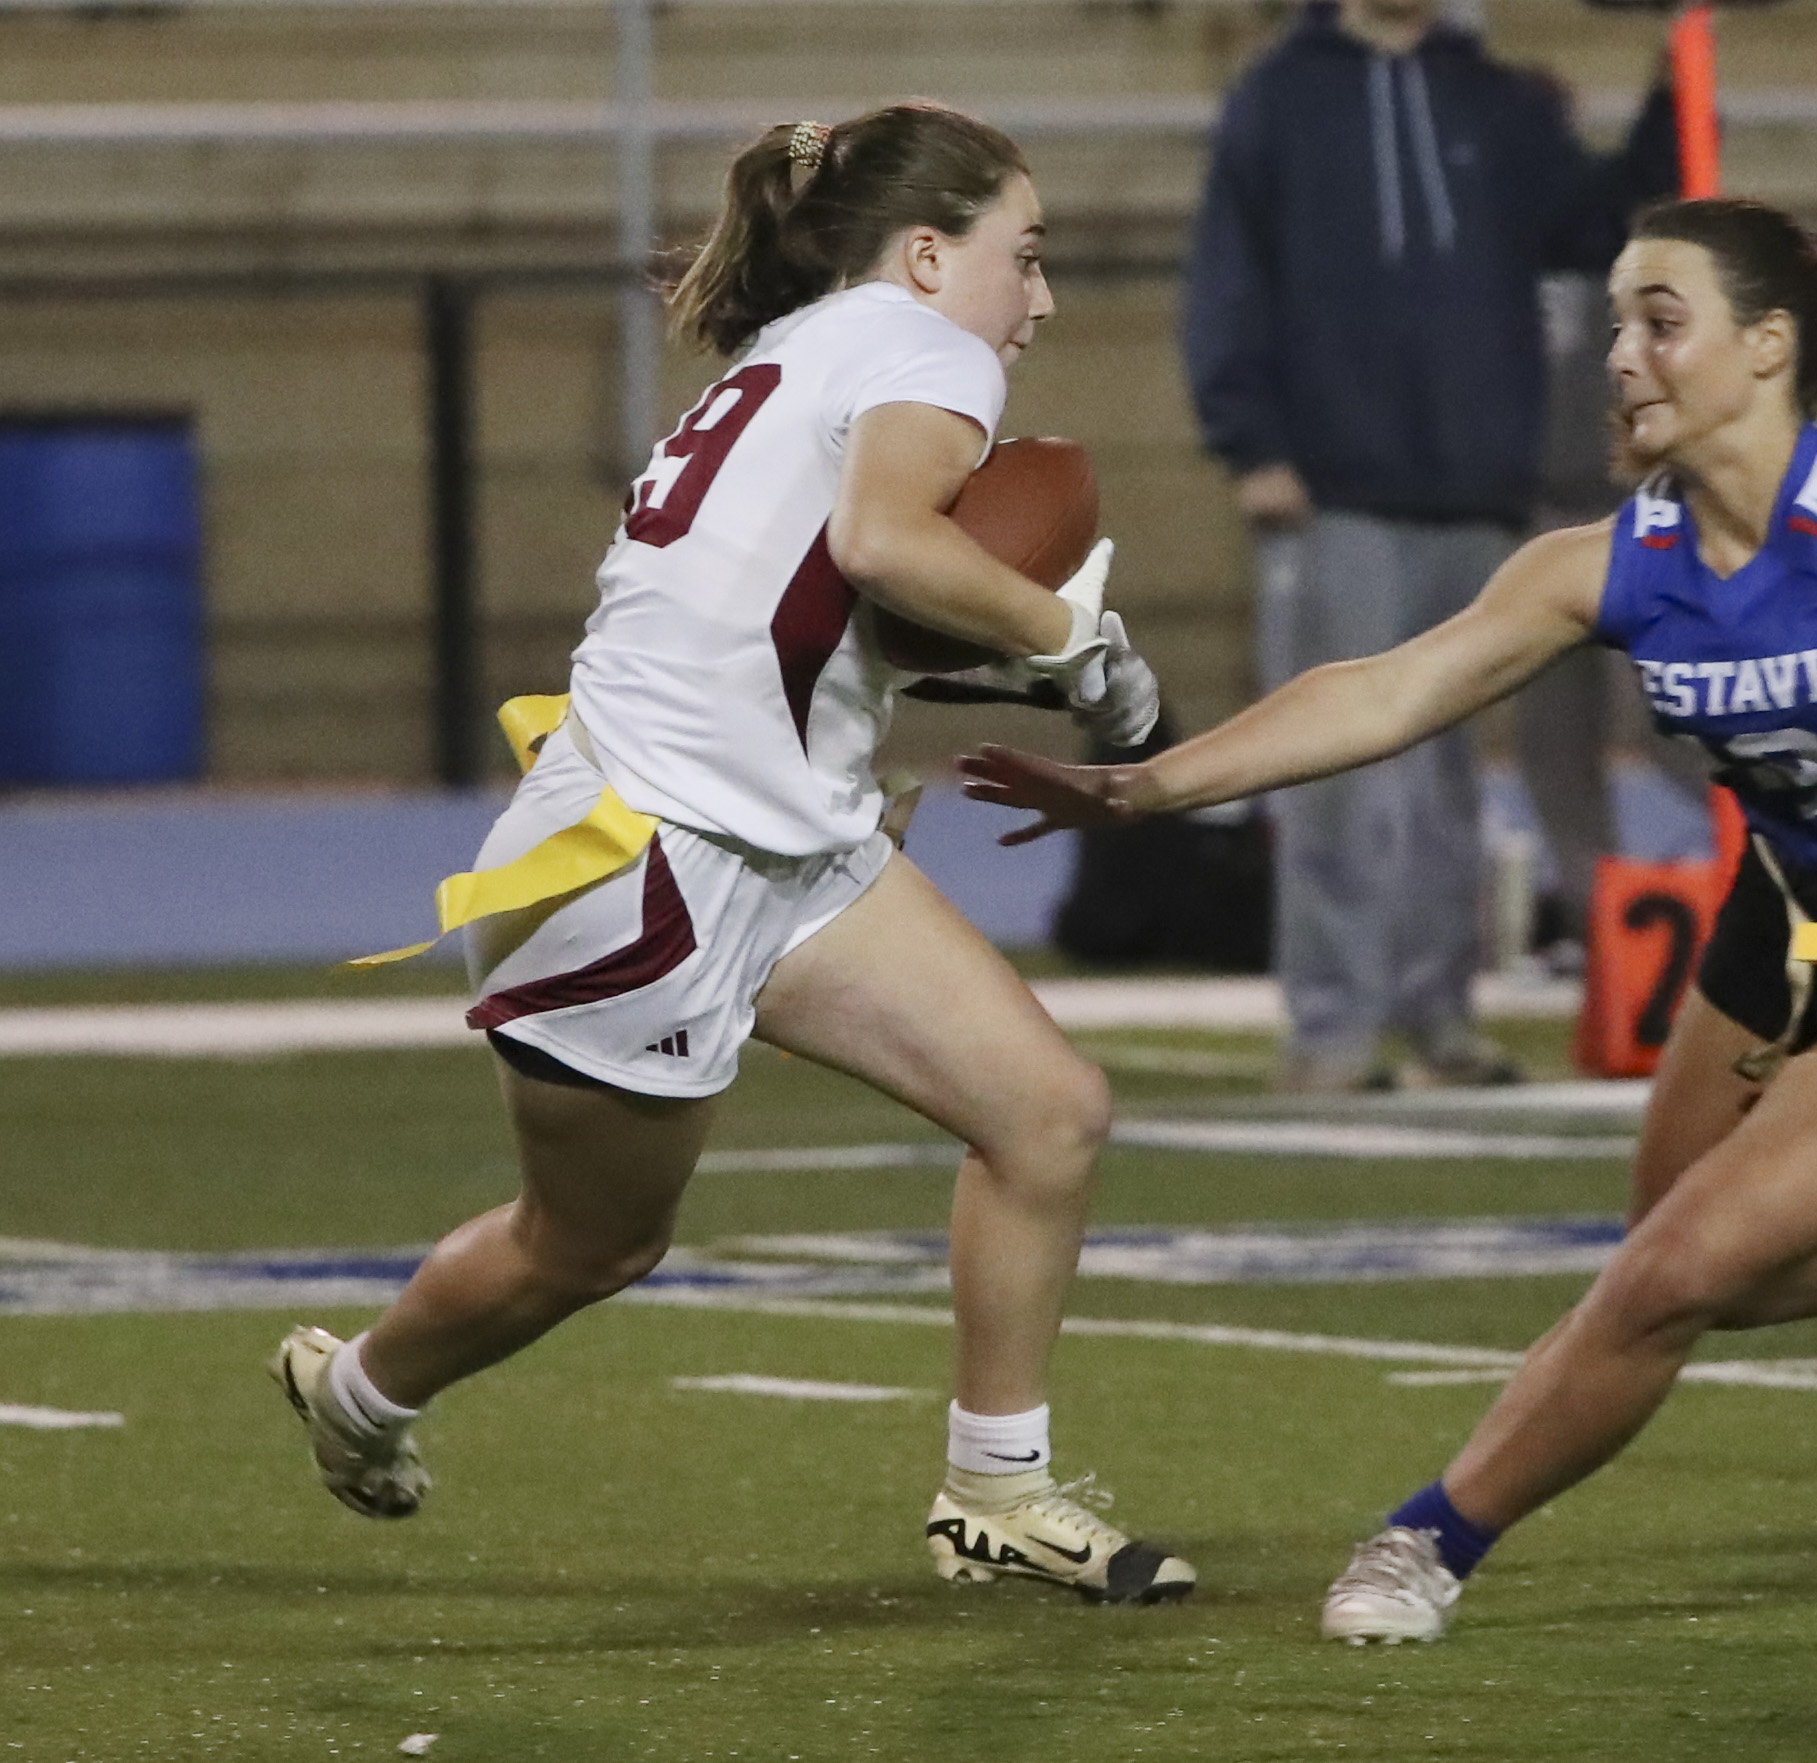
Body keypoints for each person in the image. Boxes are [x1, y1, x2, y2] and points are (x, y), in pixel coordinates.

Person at [965, 197, 1817, 1646]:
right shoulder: (1610, 558)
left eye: (1662, 322)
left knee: (1670, 1274)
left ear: (1768, 345)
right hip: (1788, 915)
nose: (1621, 355)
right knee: (1687, 1242)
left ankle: (1430, 1534)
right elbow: (1391, 685)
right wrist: (1152, 784)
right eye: (1614, 324)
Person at [269, 104, 1197, 1607]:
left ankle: (997, 1491)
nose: (1041, 299)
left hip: (765, 836)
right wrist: (1075, 638)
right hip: (647, 866)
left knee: (1048, 1115)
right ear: (922, 255)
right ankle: (362, 1390)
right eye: (1022, 257)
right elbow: (892, 548)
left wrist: (1010, 658)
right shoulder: (922, 348)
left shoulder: (801, 354)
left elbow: (820, 612)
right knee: (587, 1245)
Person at [1181, 0, 1675, 1090]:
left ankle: (1439, 1017)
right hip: (1331, 490)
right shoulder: (1279, 94)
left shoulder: (1495, 100)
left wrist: (1669, 91)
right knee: (1333, 773)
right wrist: (1246, 438)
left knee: (1448, 781)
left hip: (1474, 494)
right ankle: (1330, 1028)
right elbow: (1227, 270)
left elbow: (1591, 228)